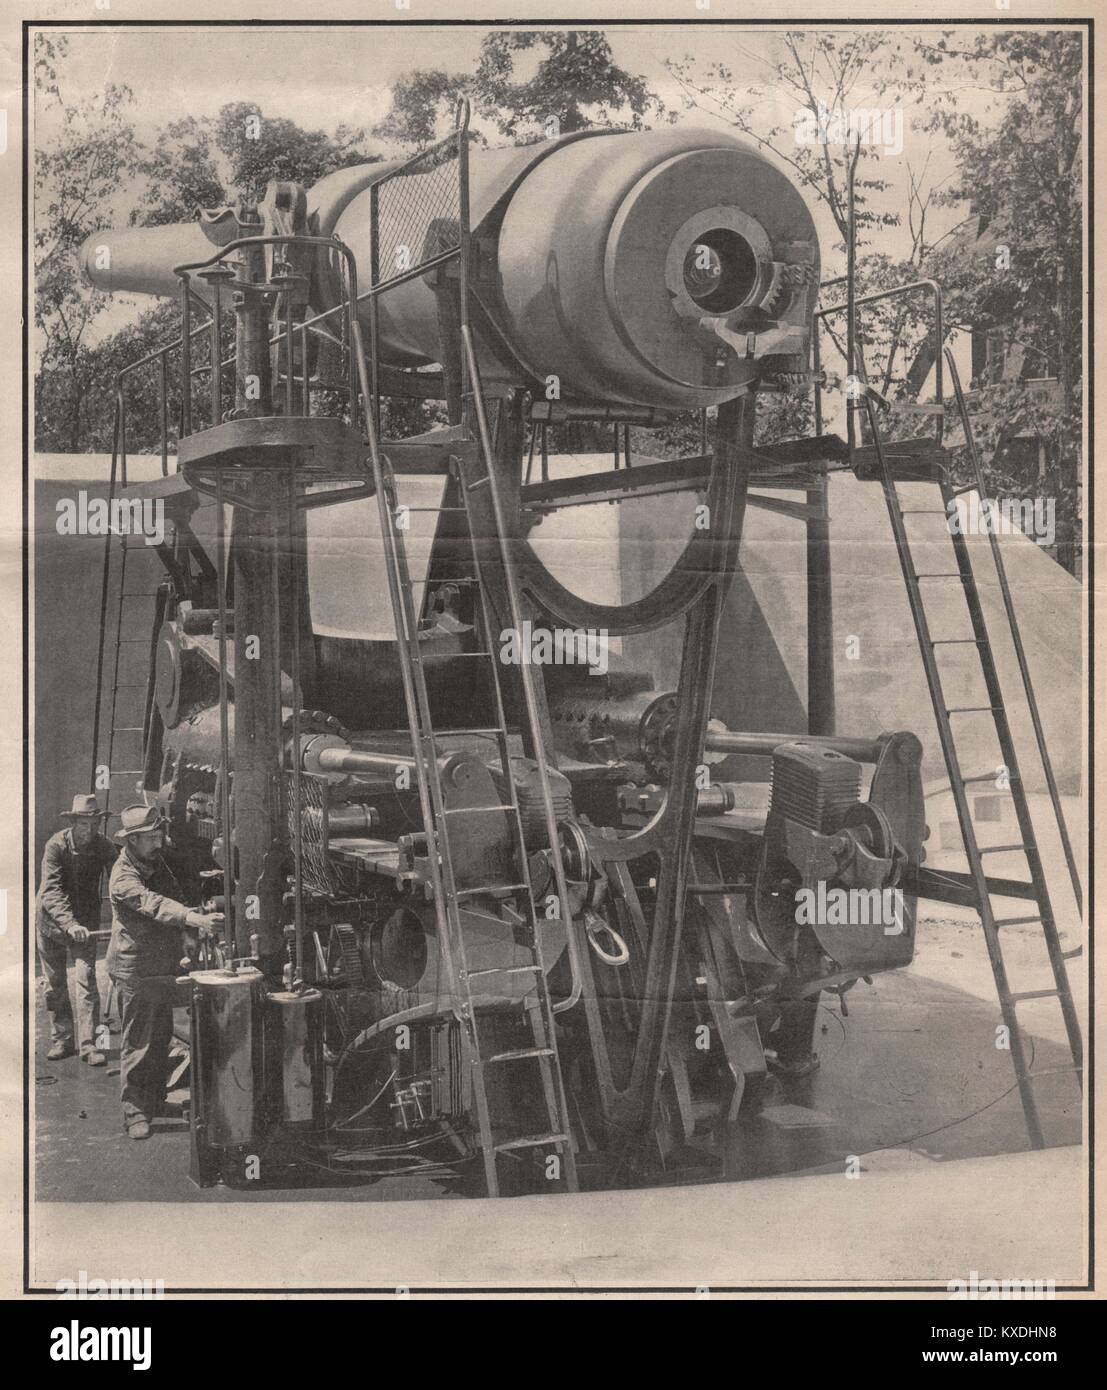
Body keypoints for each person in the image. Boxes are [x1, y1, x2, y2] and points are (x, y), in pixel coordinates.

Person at [107, 804, 224, 1140]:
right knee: (138, 1042)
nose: (158, 841)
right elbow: (154, 904)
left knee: (160, 1036)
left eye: (159, 834)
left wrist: (191, 928)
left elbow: (175, 897)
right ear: (132, 841)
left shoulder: (154, 861)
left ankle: (155, 1101)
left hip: (160, 964)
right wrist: (194, 919)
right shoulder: (124, 877)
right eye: (151, 837)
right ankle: (134, 1113)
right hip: (135, 968)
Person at [36, 793, 116, 1065]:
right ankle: (62, 1039)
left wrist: (124, 916)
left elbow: (119, 880)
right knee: (55, 983)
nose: (90, 831)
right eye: (84, 825)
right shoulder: (55, 847)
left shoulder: (104, 846)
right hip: (51, 924)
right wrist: (70, 924)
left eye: (94, 824)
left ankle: (89, 1044)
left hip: (85, 924)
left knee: (87, 980)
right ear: (73, 823)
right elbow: (52, 892)